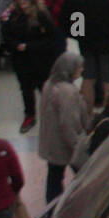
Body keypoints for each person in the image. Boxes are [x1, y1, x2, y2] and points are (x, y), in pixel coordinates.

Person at [3, 0, 59, 134]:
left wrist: (29, 46)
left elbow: (51, 39)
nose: (22, 2)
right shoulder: (14, 15)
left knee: (45, 89)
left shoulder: (41, 15)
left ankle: (53, 117)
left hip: (40, 59)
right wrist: (16, 46)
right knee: (26, 89)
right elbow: (6, 35)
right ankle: (30, 115)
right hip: (21, 60)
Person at [37, 52, 90, 209]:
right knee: (85, 174)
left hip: (51, 141)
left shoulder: (49, 85)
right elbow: (69, 124)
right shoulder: (68, 92)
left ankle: (50, 209)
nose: (81, 70)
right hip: (65, 145)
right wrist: (78, 146)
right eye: (79, 67)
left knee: (54, 177)